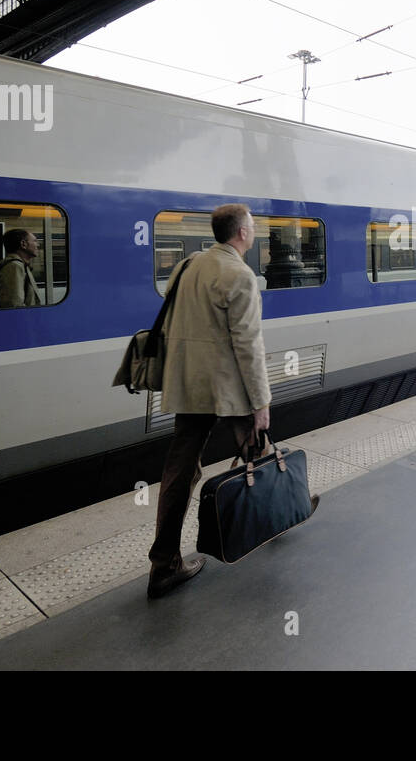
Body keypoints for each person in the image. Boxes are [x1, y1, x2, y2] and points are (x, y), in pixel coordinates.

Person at [147, 203, 315, 599]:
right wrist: (261, 401)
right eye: (253, 227)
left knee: (180, 472)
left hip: (187, 383)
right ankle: (283, 511)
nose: (254, 232)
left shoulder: (188, 265)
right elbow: (248, 345)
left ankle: (163, 564)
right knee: (256, 445)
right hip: (225, 386)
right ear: (242, 233)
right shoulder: (239, 274)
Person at [0, 228, 43, 309]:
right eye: (34, 241)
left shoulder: (8, 265)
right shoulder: (14, 267)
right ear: (23, 244)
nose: (38, 245)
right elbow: (14, 305)